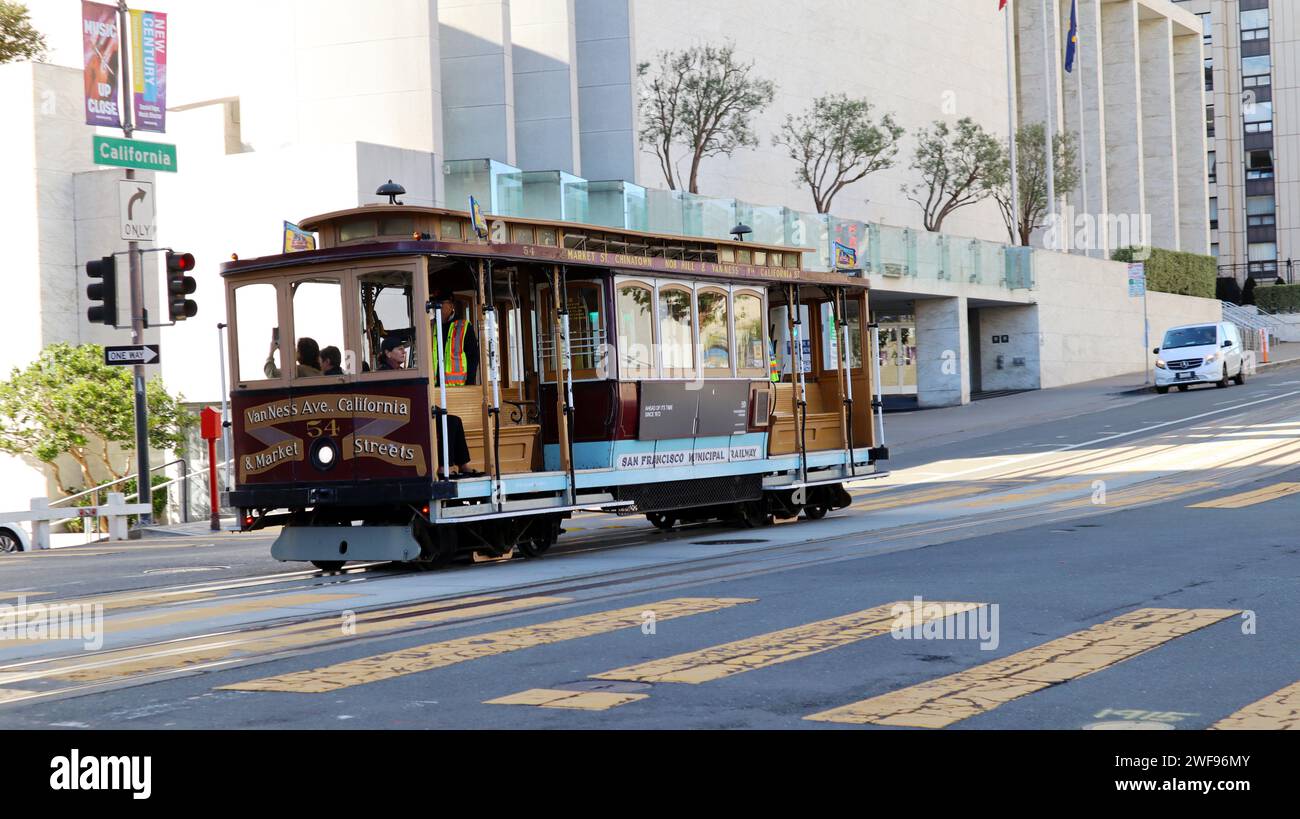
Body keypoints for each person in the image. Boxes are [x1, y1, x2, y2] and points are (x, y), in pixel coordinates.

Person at [431, 290, 479, 386]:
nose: (436, 307)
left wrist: (469, 384)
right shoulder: (430, 326)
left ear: (451, 306)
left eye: (440, 303)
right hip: (434, 388)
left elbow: (473, 358)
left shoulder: (464, 326)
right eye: (435, 304)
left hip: (458, 389)